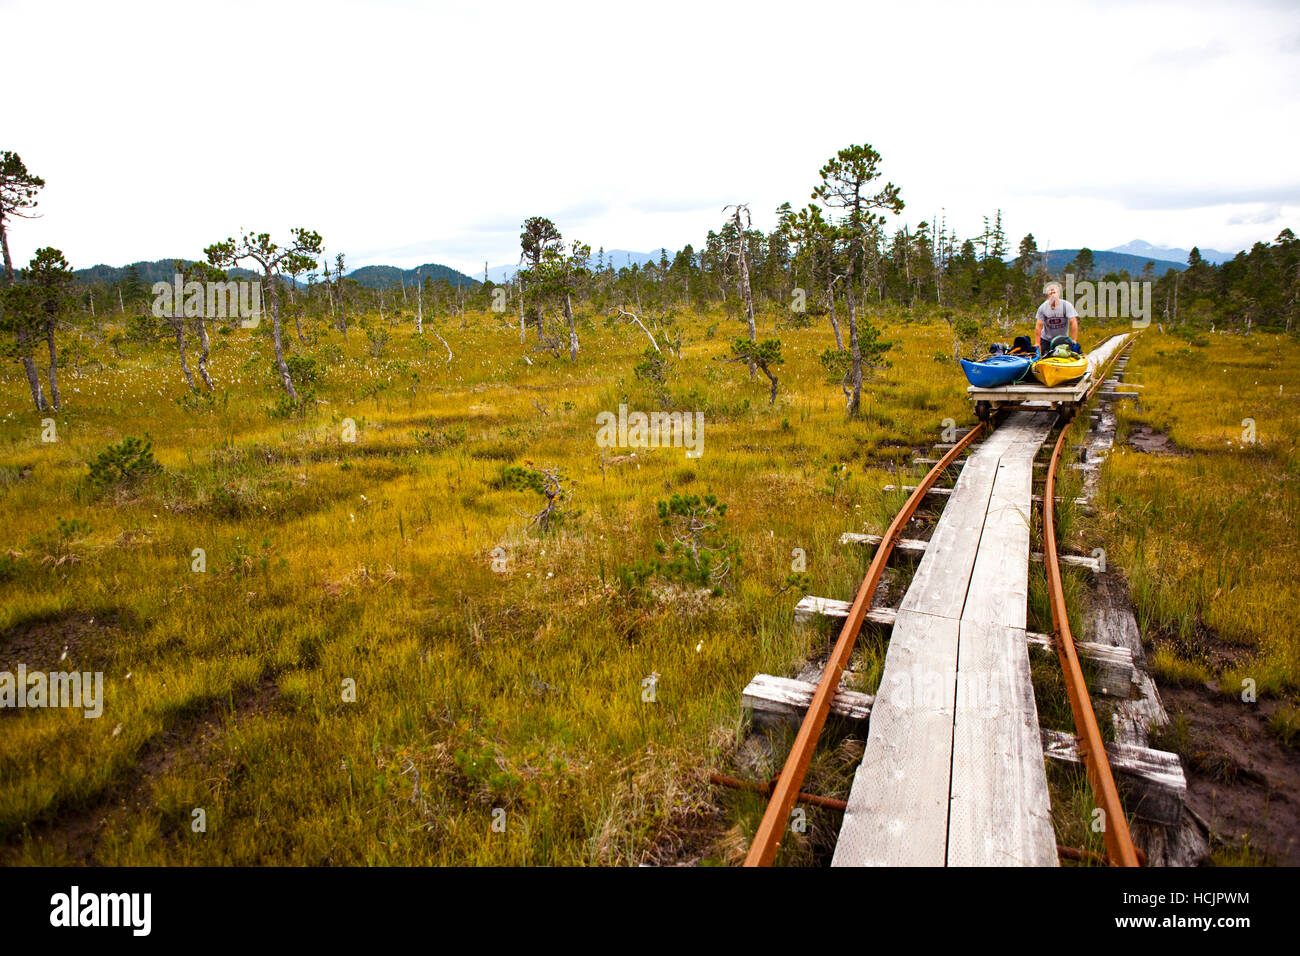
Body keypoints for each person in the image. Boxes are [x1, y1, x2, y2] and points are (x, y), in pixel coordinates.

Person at [1034, 282, 1080, 356]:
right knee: (1046, 358)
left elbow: (1073, 322)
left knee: (1065, 358)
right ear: (1048, 295)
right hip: (1046, 340)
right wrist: (1037, 343)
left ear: (1058, 293)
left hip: (1062, 339)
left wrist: (1074, 339)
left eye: (1054, 292)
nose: (1053, 295)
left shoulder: (1067, 306)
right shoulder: (1043, 307)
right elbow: (1038, 326)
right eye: (1050, 293)